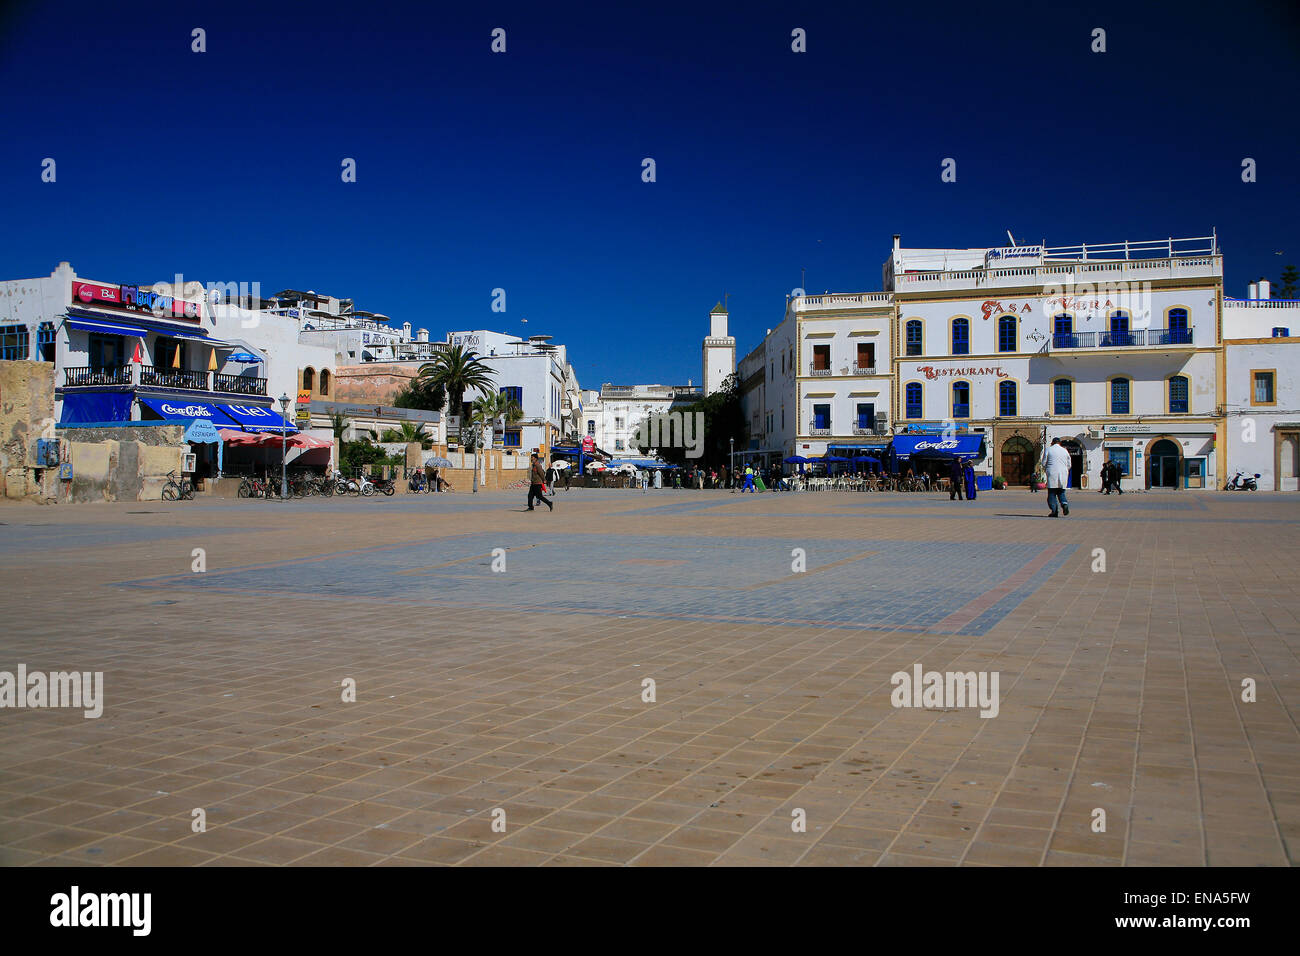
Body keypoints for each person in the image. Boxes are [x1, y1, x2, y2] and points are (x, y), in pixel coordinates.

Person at [1045, 438, 1071, 517]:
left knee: (1052, 494)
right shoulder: (1065, 451)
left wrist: (1046, 468)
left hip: (1052, 473)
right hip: (1063, 473)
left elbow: (1043, 462)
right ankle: (1064, 504)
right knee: (1061, 492)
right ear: (1059, 443)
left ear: (1052, 442)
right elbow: (1069, 464)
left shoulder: (1049, 449)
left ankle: (1054, 511)